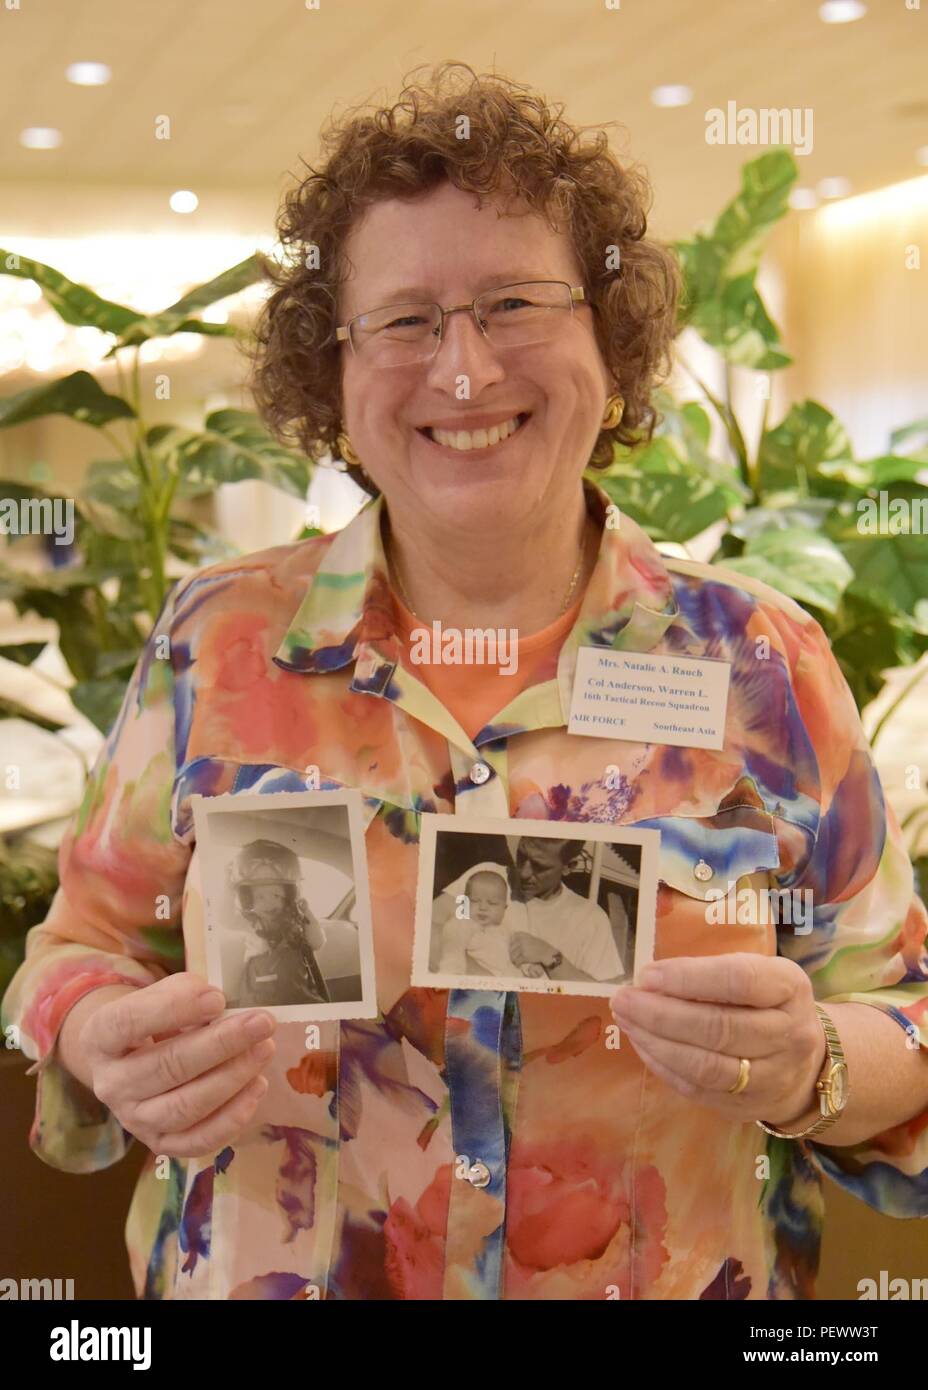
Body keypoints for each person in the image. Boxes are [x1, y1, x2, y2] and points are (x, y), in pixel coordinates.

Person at [3, 62, 927, 1302]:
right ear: (332, 372)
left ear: (611, 343)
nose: (461, 371)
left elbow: (903, 1018)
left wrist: (810, 1059)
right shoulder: (214, 641)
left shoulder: (759, 661)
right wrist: (92, 1034)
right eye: (403, 320)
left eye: (512, 304)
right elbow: (77, 945)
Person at [229, 840, 329, 1008]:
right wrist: (228, 885)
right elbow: (224, 918)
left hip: (299, 995)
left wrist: (307, 912)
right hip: (261, 1000)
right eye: (260, 897)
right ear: (247, 899)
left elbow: (317, 942)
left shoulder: (296, 920)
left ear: (289, 897)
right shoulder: (251, 923)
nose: (269, 903)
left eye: (276, 896)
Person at [434, 864, 547, 978]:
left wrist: (529, 966)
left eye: (492, 903)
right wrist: (453, 973)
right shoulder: (463, 924)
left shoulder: (507, 930)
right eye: (475, 901)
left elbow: (519, 953)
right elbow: (452, 949)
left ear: (504, 909)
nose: (483, 907)